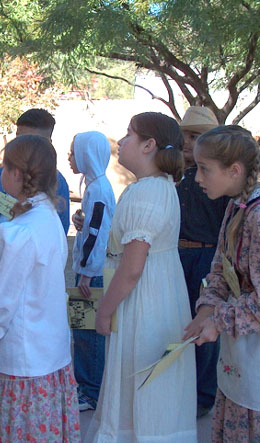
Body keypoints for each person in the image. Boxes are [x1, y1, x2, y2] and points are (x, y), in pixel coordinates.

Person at [86, 112, 197, 442]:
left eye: (129, 134)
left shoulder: (147, 192)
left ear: (149, 144)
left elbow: (133, 267)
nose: (120, 141)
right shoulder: (156, 188)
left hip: (144, 302)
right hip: (156, 296)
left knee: (138, 385)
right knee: (147, 390)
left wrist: (104, 310)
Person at [0, 134, 81, 442]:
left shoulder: (19, 231)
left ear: (18, 174)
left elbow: (3, 298)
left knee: (26, 429)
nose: (0, 175)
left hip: (26, 353)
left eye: (4, 168)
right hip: (52, 346)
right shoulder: (48, 217)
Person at [183, 125, 260, 442]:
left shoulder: (257, 216)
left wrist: (219, 319)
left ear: (235, 170)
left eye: (204, 169)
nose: (198, 178)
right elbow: (220, 267)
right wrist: (207, 309)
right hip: (240, 348)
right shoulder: (235, 206)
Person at [176, 106, 228, 418]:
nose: (187, 143)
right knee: (177, 321)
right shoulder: (173, 172)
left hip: (207, 256)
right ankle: (179, 388)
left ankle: (202, 395)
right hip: (175, 254)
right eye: (185, 135)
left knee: (205, 324)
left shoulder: (215, 174)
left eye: (194, 137)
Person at [68, 131, 116, 412]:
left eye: (74, 152)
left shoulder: (97, 189)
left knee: (88, 334)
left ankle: (90, 391)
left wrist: (86, 272)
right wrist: (79, 221)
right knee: (83, 330)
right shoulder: (94, 186)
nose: (70, 157)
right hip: (89, 270)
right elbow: (92, 226)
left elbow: (98, 234)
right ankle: (86, 387)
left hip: (91, 275)